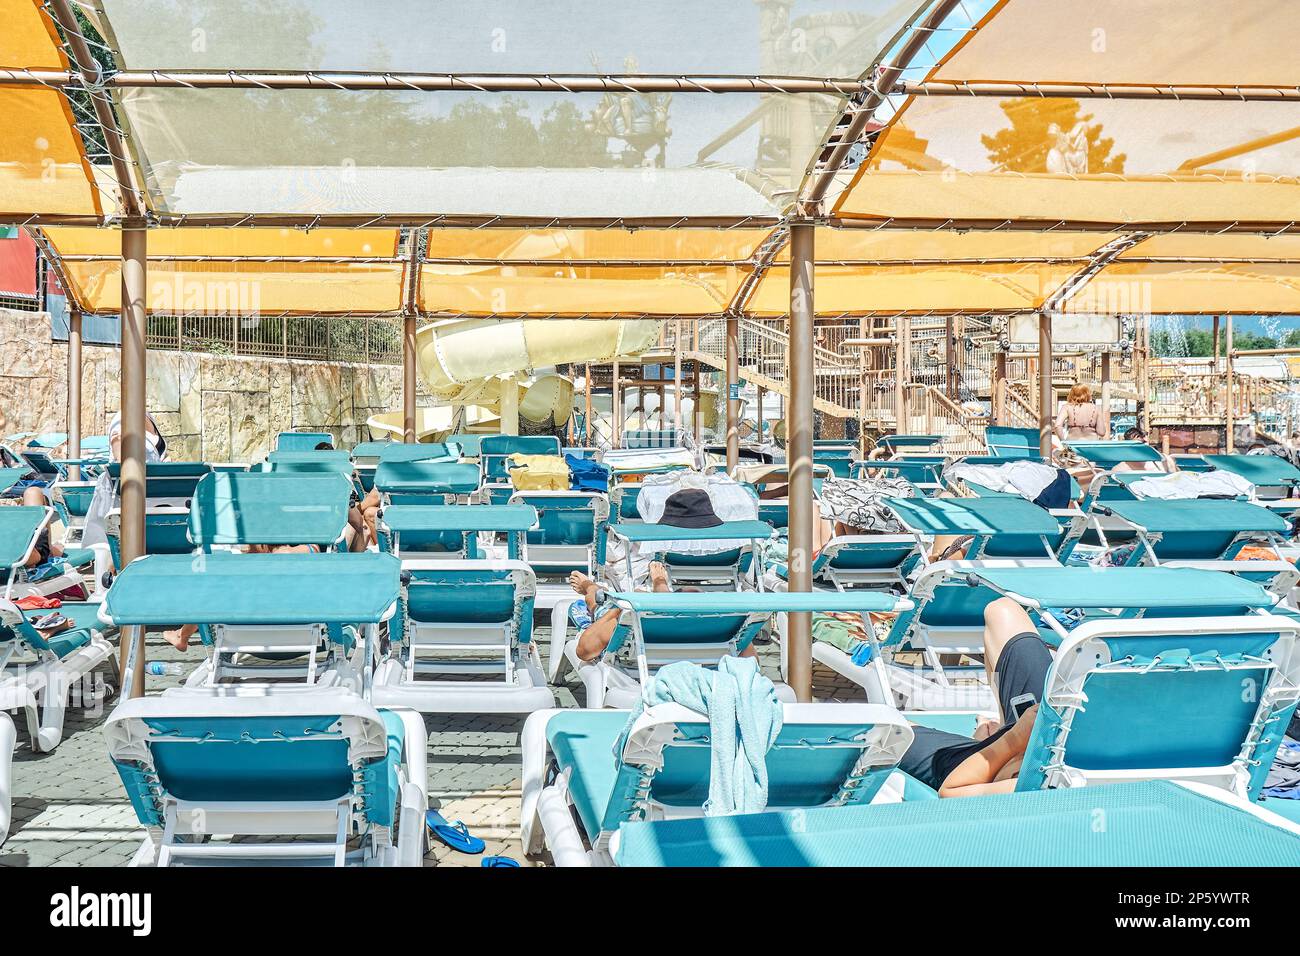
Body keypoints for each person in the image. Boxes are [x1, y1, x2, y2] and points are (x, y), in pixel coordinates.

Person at [899, 597, 1053, 797]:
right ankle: (1004, 723)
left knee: (889, 730)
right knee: (1002, 609)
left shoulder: (1051, 783)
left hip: (980, 771)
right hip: (1041, 726)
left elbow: (951, 791)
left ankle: (1001, 734)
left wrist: (1014, 737)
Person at [566, 561, 757, 663]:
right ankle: (659, 584)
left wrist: (617, 610)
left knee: (598, 600)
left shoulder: (630, 623)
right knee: (645, 597)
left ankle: (589, 585)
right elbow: (751, 662)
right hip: (696, 637)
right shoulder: (724, 627)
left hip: (640, 637)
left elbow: (584, 650)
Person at [161, 541, 323, 650]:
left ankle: (182, 635)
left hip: (244, 638)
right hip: (301, 636)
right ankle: (181, 635)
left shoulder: (237, 569)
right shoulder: (307, 551)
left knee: (209, 595)